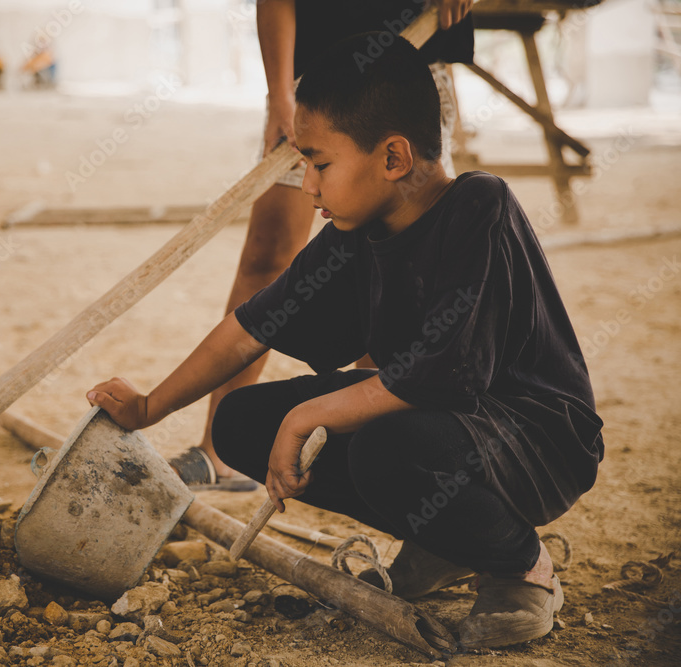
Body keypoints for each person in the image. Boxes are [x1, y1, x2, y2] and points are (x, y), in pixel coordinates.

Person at [86, 34, 603, 648]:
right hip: (440, 425)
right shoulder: (356, 234)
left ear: (393, 158)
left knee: (382, 448)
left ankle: (521, 567)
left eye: (319, 163)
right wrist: (150, 408)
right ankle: (446, 540)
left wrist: (310, 414)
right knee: (241, 422)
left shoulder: (478, 207)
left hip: (535, 437)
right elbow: (249, 329)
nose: (307, 185)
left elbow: (444, 374)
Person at [170, 0, 475, 490]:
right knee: (268, 253)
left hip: (410, 68)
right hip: (318, 84)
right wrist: (279, 96)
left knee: (400, 262)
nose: (314, 186)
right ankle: (215, 452)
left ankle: (369, 454)